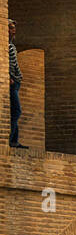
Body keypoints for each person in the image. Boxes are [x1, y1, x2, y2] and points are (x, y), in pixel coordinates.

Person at [8, 19, 26, 149]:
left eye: (13, 27)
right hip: (12, 81)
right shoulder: (6, 46)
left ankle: (14, 140)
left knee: (14, 111)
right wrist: (9, 76)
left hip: (16, 81)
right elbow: (7, 62)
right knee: (16, 111)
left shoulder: (10, 45)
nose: (13, 30)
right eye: (10, 27)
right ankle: (8, 139)